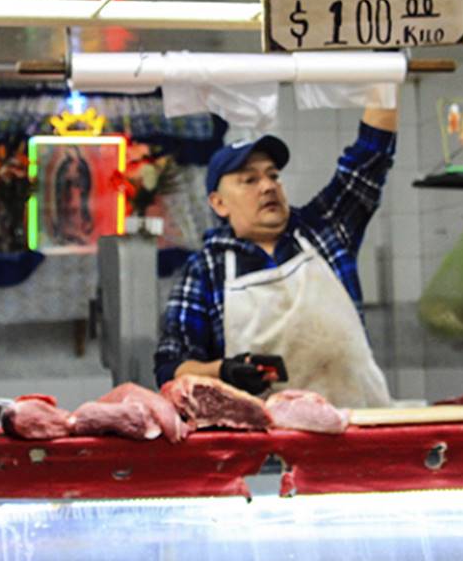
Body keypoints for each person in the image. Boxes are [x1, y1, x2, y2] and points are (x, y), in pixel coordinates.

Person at [153, 104, 398, 408]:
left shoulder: (323, 230)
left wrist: (386, 73)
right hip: (265, 444)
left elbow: (370, 156)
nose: (268, 185)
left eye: (273, 175)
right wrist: (223, 371)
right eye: (250, 180)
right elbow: (170, 368)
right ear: (219, 203)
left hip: (357, 429)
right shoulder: (206, 269)